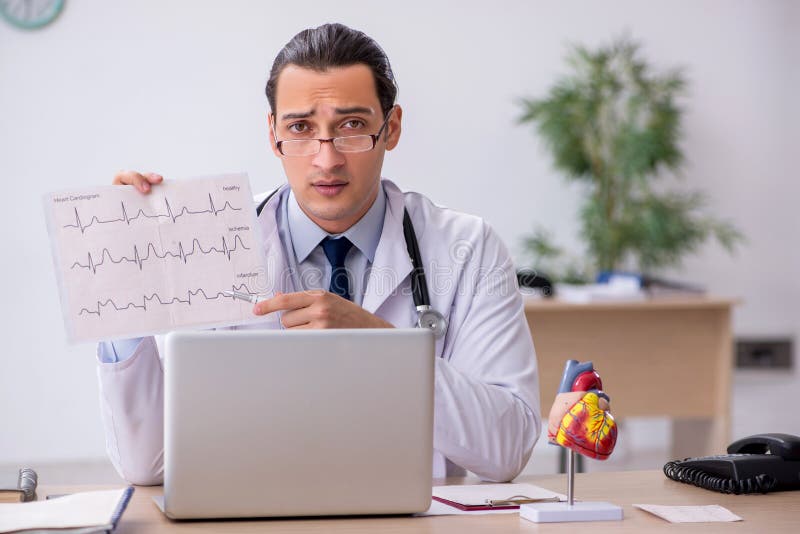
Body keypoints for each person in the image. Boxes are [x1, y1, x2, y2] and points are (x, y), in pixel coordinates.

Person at [97, 23, 540, 485]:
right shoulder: (212, 242)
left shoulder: (467, 248)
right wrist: (128, 298)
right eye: (301, 128)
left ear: (391, 128)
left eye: (351, 126)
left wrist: (387, 350)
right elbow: (147, 465)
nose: (326, 160)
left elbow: (506, 449)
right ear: (273, 135)